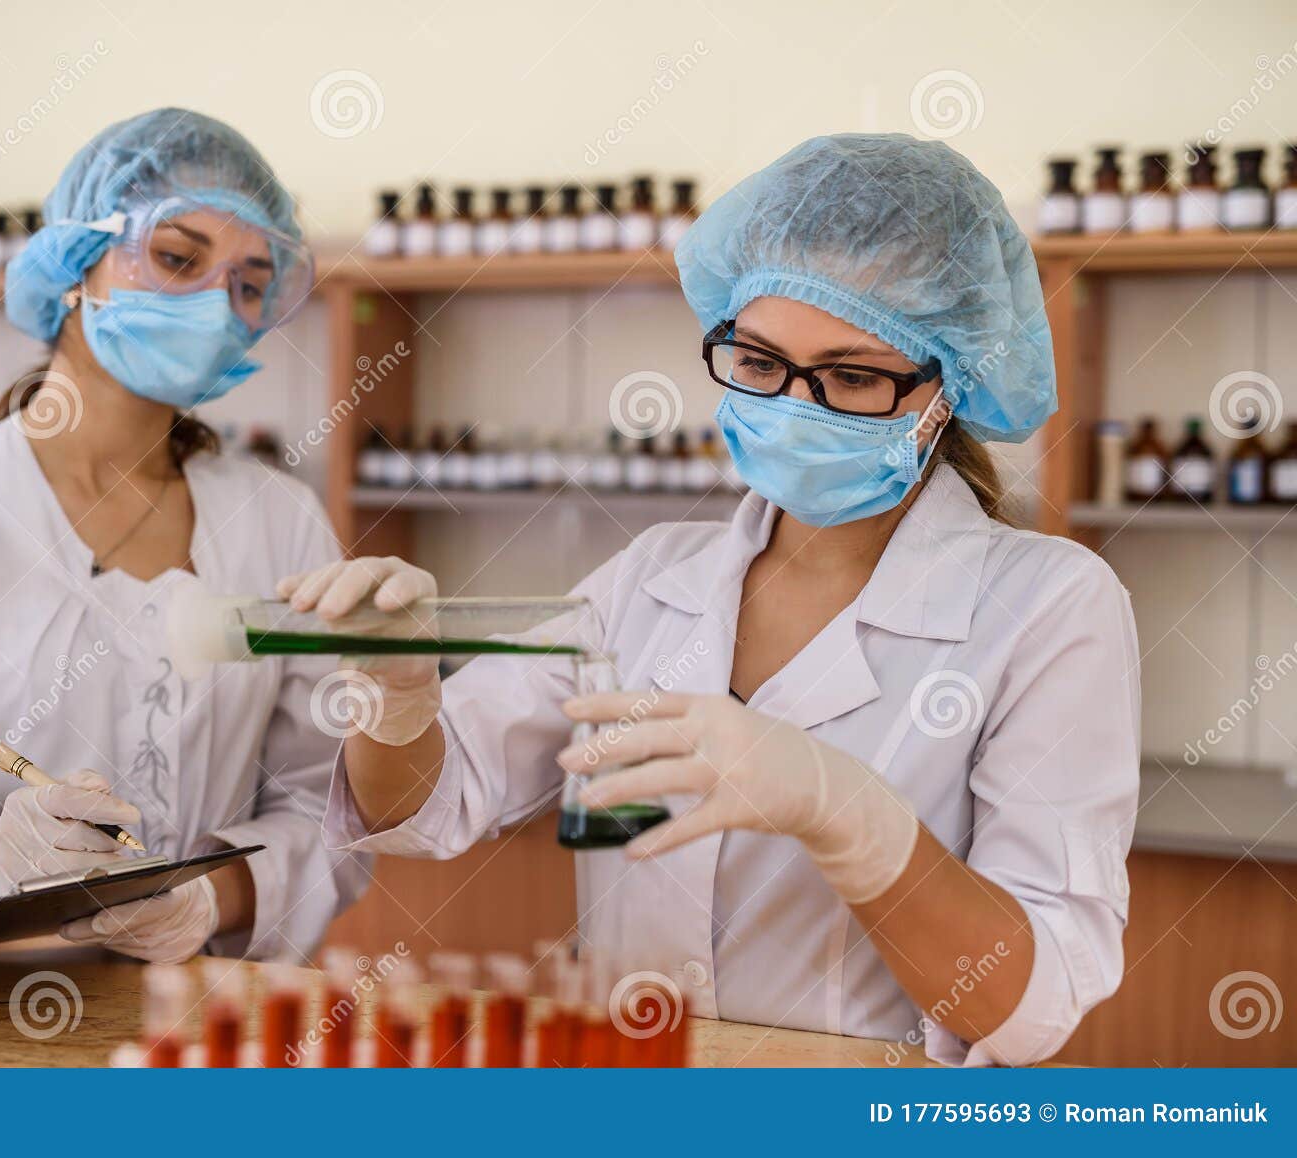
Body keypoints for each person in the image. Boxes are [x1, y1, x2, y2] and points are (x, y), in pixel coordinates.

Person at [283, 135, 1139, 1065]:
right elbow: (432, 807)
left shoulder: (1049, 606)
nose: (795, 404)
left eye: (853, 378)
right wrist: (398, 701)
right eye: (760, 361)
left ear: (952, 385)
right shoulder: (652, 577)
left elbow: (1030, 1004)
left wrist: (850, 817)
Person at [0, 108, 367, 963]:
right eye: (177, 259)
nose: (215, 303)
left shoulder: (279, 523)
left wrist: (204, 901)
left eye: (248, 283)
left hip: (197, 1032)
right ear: (72, 264)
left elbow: (325, 814)